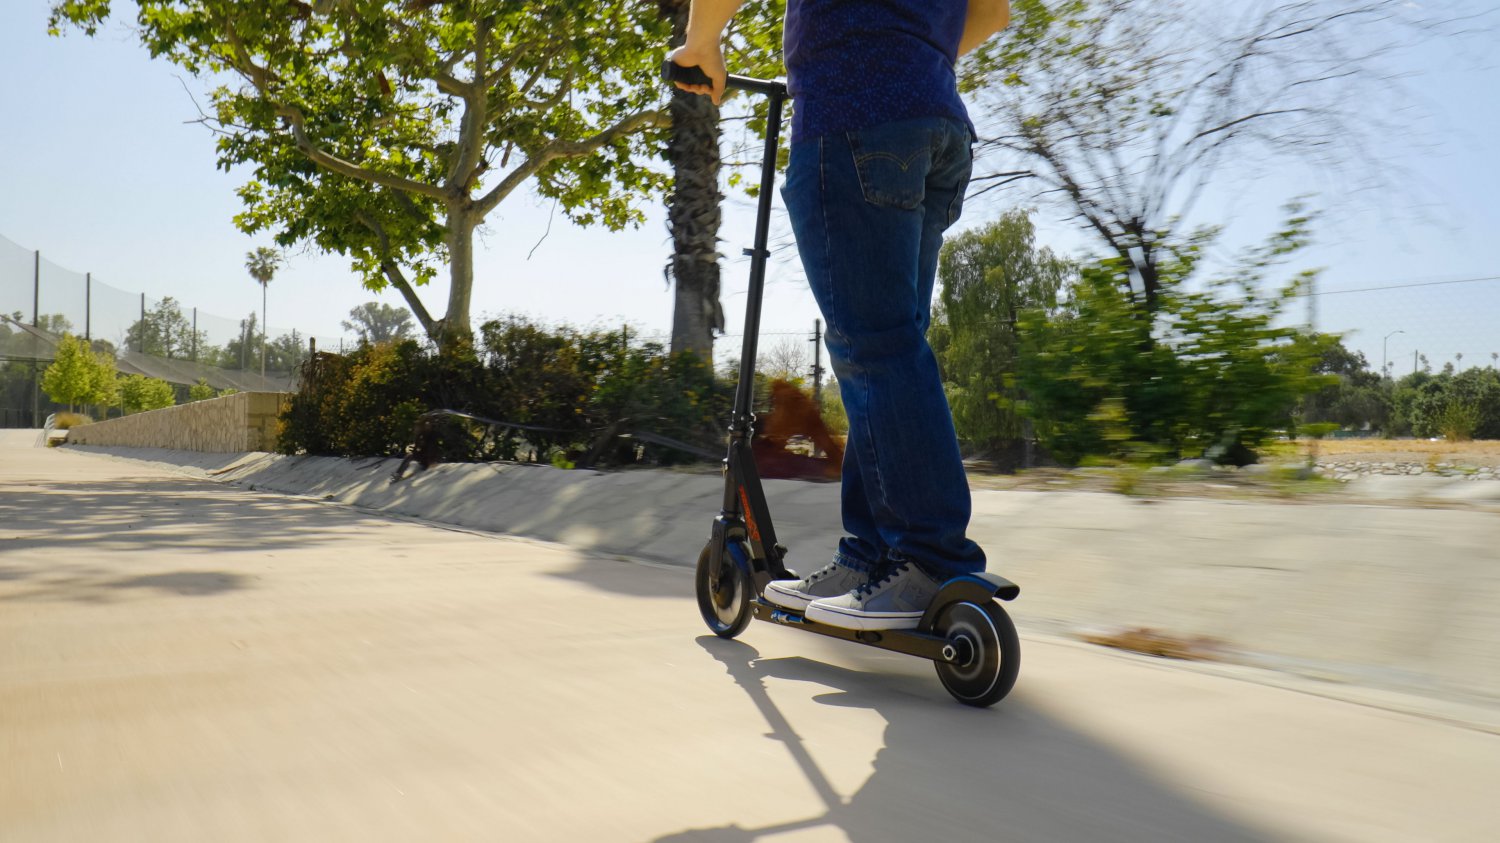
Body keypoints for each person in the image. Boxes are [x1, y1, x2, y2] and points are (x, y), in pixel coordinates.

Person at [669, 0, 1011, 631]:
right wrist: (907, 55)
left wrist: (701, 45)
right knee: (887, 349)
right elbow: (993, 12)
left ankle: (930, 561)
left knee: (875, 351)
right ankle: (871, 557)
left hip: (855, 122)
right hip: (936, 126)